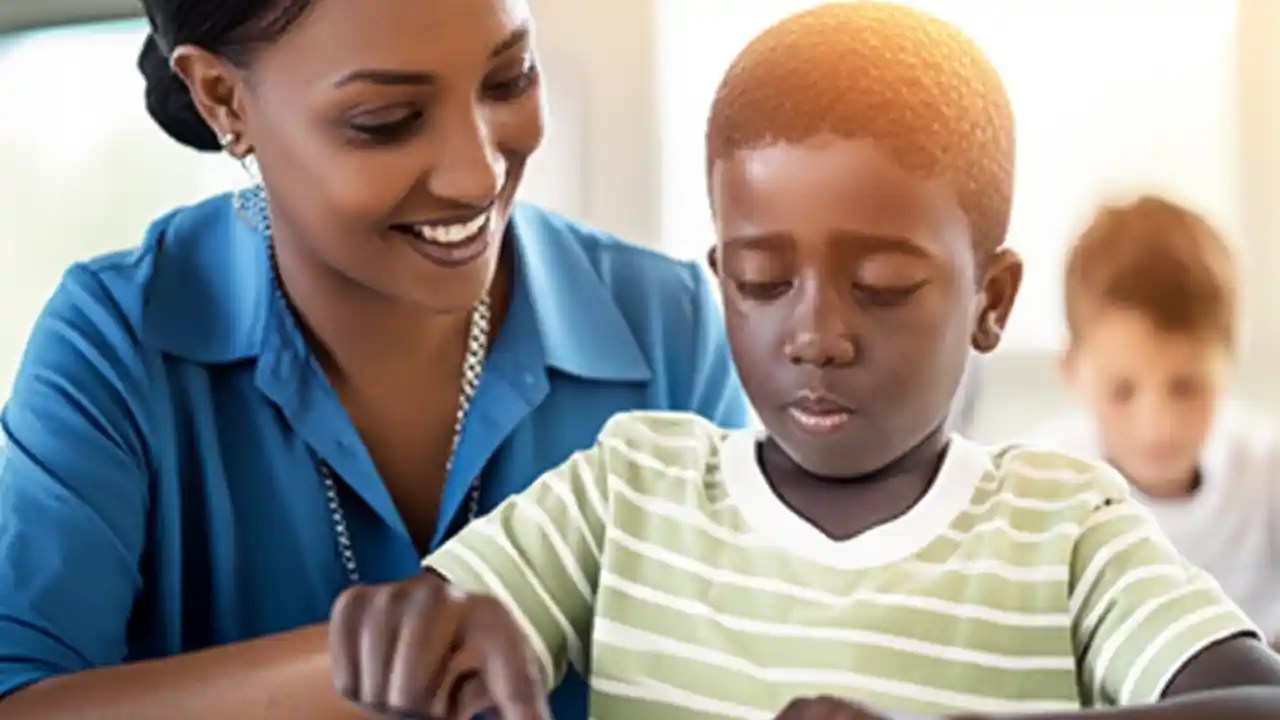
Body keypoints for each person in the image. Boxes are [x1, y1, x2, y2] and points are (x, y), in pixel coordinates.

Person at [322, 3, 1280, 719]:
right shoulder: (626, 494)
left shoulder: (1067, 527)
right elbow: (449, 617)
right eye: (763, 281)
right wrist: (425, 626)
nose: (817, 333)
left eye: (884, 287)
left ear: (991, 301)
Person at [0, 0, 747, 717]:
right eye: (385, 122)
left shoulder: (670, 332)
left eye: (509, 78)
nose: (477, 175)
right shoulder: (117, 343)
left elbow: (742, 670)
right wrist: (372, 662)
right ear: (223, 99)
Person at [1027, 195, 1280, 644]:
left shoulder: (1267, 475)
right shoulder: (1038, 488)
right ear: (1071, 370)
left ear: (1230, 362)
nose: (1157, 425)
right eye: (1122, 392)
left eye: (1187, 387)